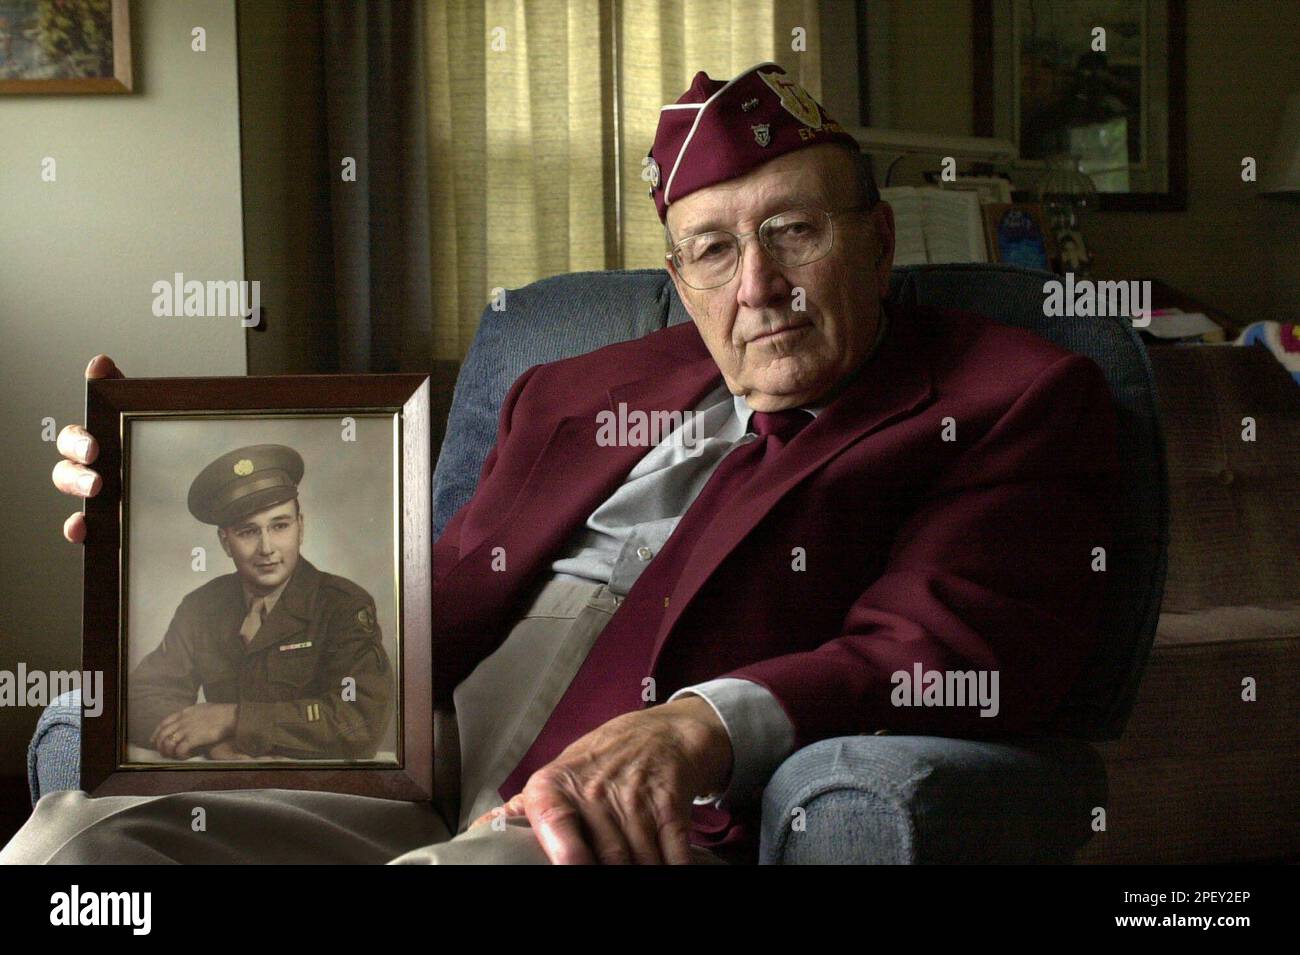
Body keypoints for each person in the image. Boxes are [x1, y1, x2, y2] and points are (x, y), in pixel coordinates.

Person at [7, 62, 1119, 865]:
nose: (756, 289)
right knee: (72, 848)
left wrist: (701, 724)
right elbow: (406, 600)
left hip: (620, 826)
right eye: (714, 250)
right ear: (677, 277)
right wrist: (149, 521)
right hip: (410, 766)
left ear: (878, 243)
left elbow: (943, 643)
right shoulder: (572, 387)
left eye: (794, 233)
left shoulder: (1005, 397)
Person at [127, 444, 394, 762]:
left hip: (315, 790)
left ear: (300, 527)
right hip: (222, 786)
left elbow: (359, 722)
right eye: (248, 532)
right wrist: (211, 746)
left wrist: (234, 719)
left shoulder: (343, 606)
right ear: (225, 542)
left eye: (280, 526)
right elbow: (141, 698)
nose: (266, 548)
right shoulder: (202, 607)